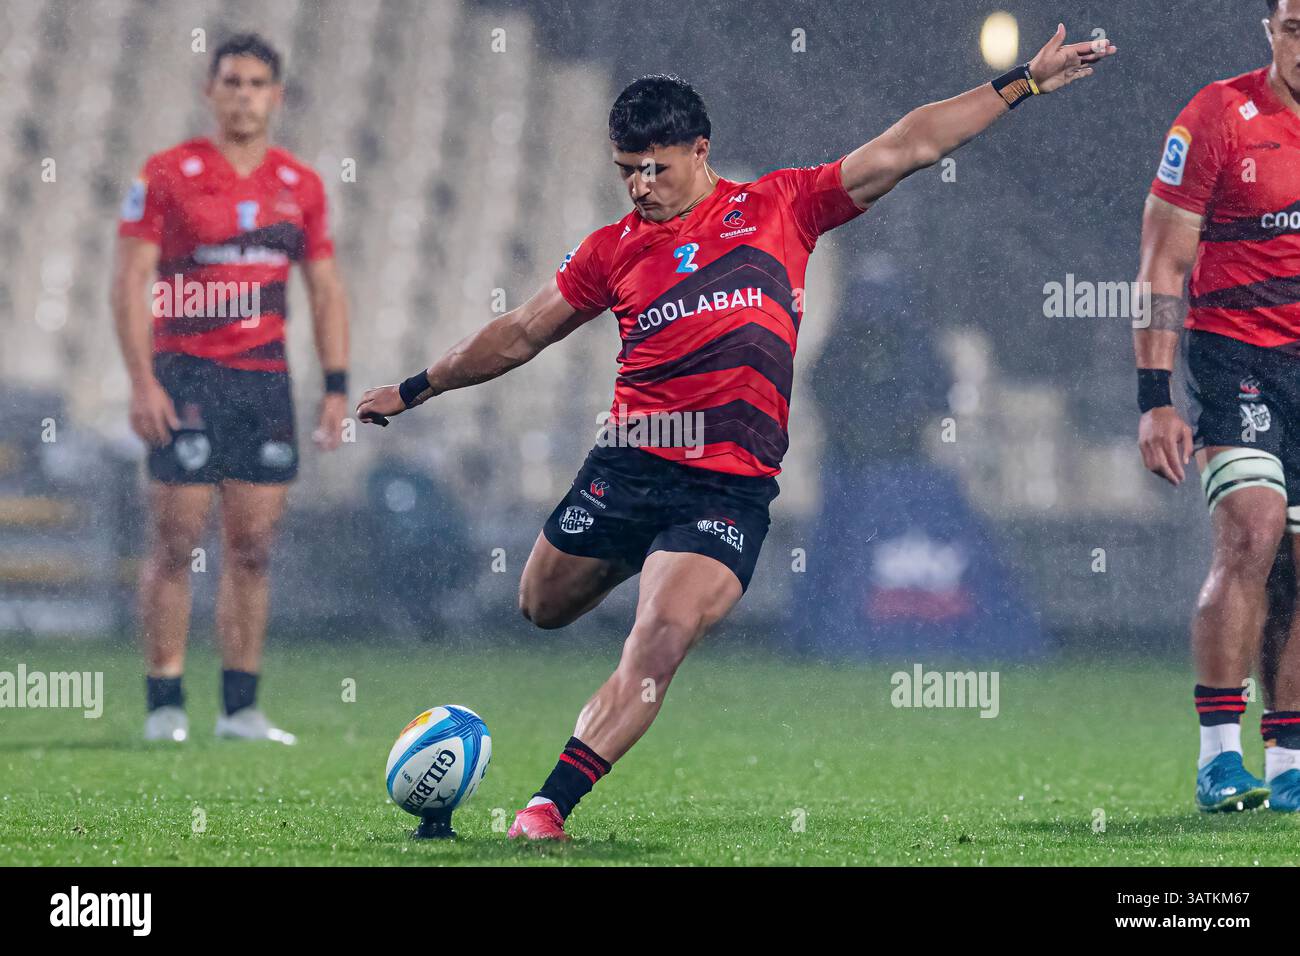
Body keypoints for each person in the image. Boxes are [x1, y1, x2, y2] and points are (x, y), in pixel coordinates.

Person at [359, 27, 1114, 839]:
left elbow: (910, 144)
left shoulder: (781, 206)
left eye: (657, 167)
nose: (640, 186)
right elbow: (521, 331)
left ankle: (547, 808)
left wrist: (1022, 83)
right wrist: (417, 386)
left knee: (661, 635)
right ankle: (642, 556)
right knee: (540, 605)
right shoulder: (613, 250)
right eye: (626, 172)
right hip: (628, 466)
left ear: (701, 150)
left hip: (726, 488)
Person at [112, 33, 350, 744]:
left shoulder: (299, 185)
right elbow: (129, 281)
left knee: (252, 547)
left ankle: (240, 708)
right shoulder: (166, 175)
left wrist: (336, 384)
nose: (244, 95)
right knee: (175, 541)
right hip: (184, 378)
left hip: (264, 383)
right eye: (232, 82)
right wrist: (140, 379)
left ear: (276, 96)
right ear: (210, 91)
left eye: (257, 84)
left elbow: (325, 289)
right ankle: (165, 704)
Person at [1135, 0, 1300, 812]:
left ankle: (1291, 761)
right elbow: (1164, 264)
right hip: (1238, 359)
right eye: (1296, 26)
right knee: (1252, 529)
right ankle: (1218, 757)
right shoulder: (1217, 117)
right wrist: (1153, 397)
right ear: (1269, 28)